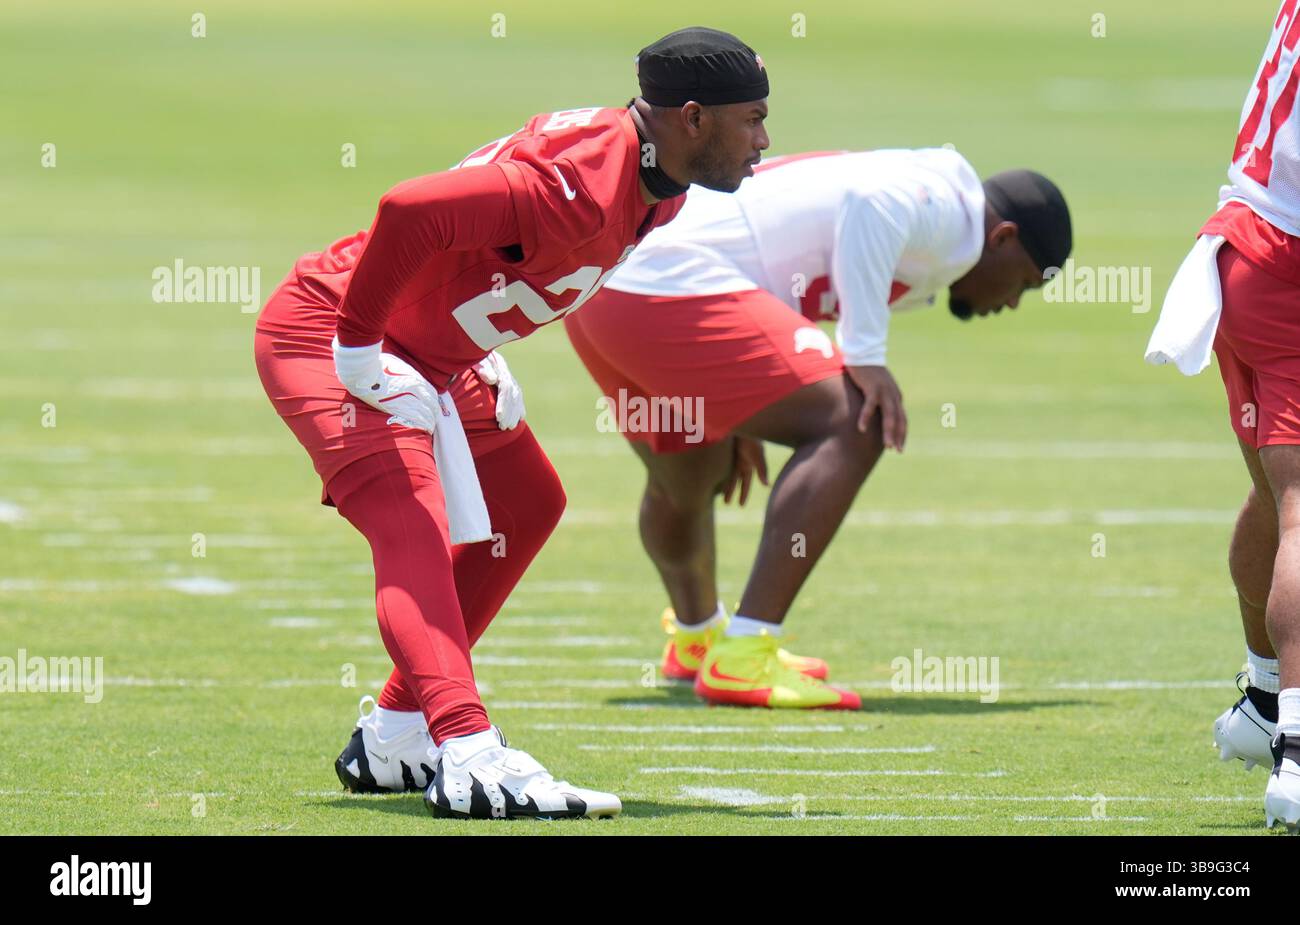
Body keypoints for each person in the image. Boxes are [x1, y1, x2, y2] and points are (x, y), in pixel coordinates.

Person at [253, 26, 770, 819]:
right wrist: (356, 351)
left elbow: (511, 266)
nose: (764, 140)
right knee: (412, 525)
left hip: (428, 348)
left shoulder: (657, 180)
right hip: (334, 329)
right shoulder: (579, 181)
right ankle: (465, 745)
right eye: (753, 119)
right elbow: (408, 209)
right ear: (692, 118)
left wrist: (479, 348)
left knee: (528, 500)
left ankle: (395, 733)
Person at [565, 147, 1070, 709]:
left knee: (690, 473)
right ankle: (745, 653)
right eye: (1024, 283)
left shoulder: (937, 196)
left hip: (611, 288)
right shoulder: (956, 211)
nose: (1013, 303)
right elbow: (869, 203)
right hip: (672, 283)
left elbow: (782, 260)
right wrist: (867, 355)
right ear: (1002, 238)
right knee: (855, 421)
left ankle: (697, 635)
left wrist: (747, 409)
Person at [1146, 0, 1300, 830]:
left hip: (1241, 244)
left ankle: (1265, 702)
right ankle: (1299, 758)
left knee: (1278, 502)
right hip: (1285, 261)